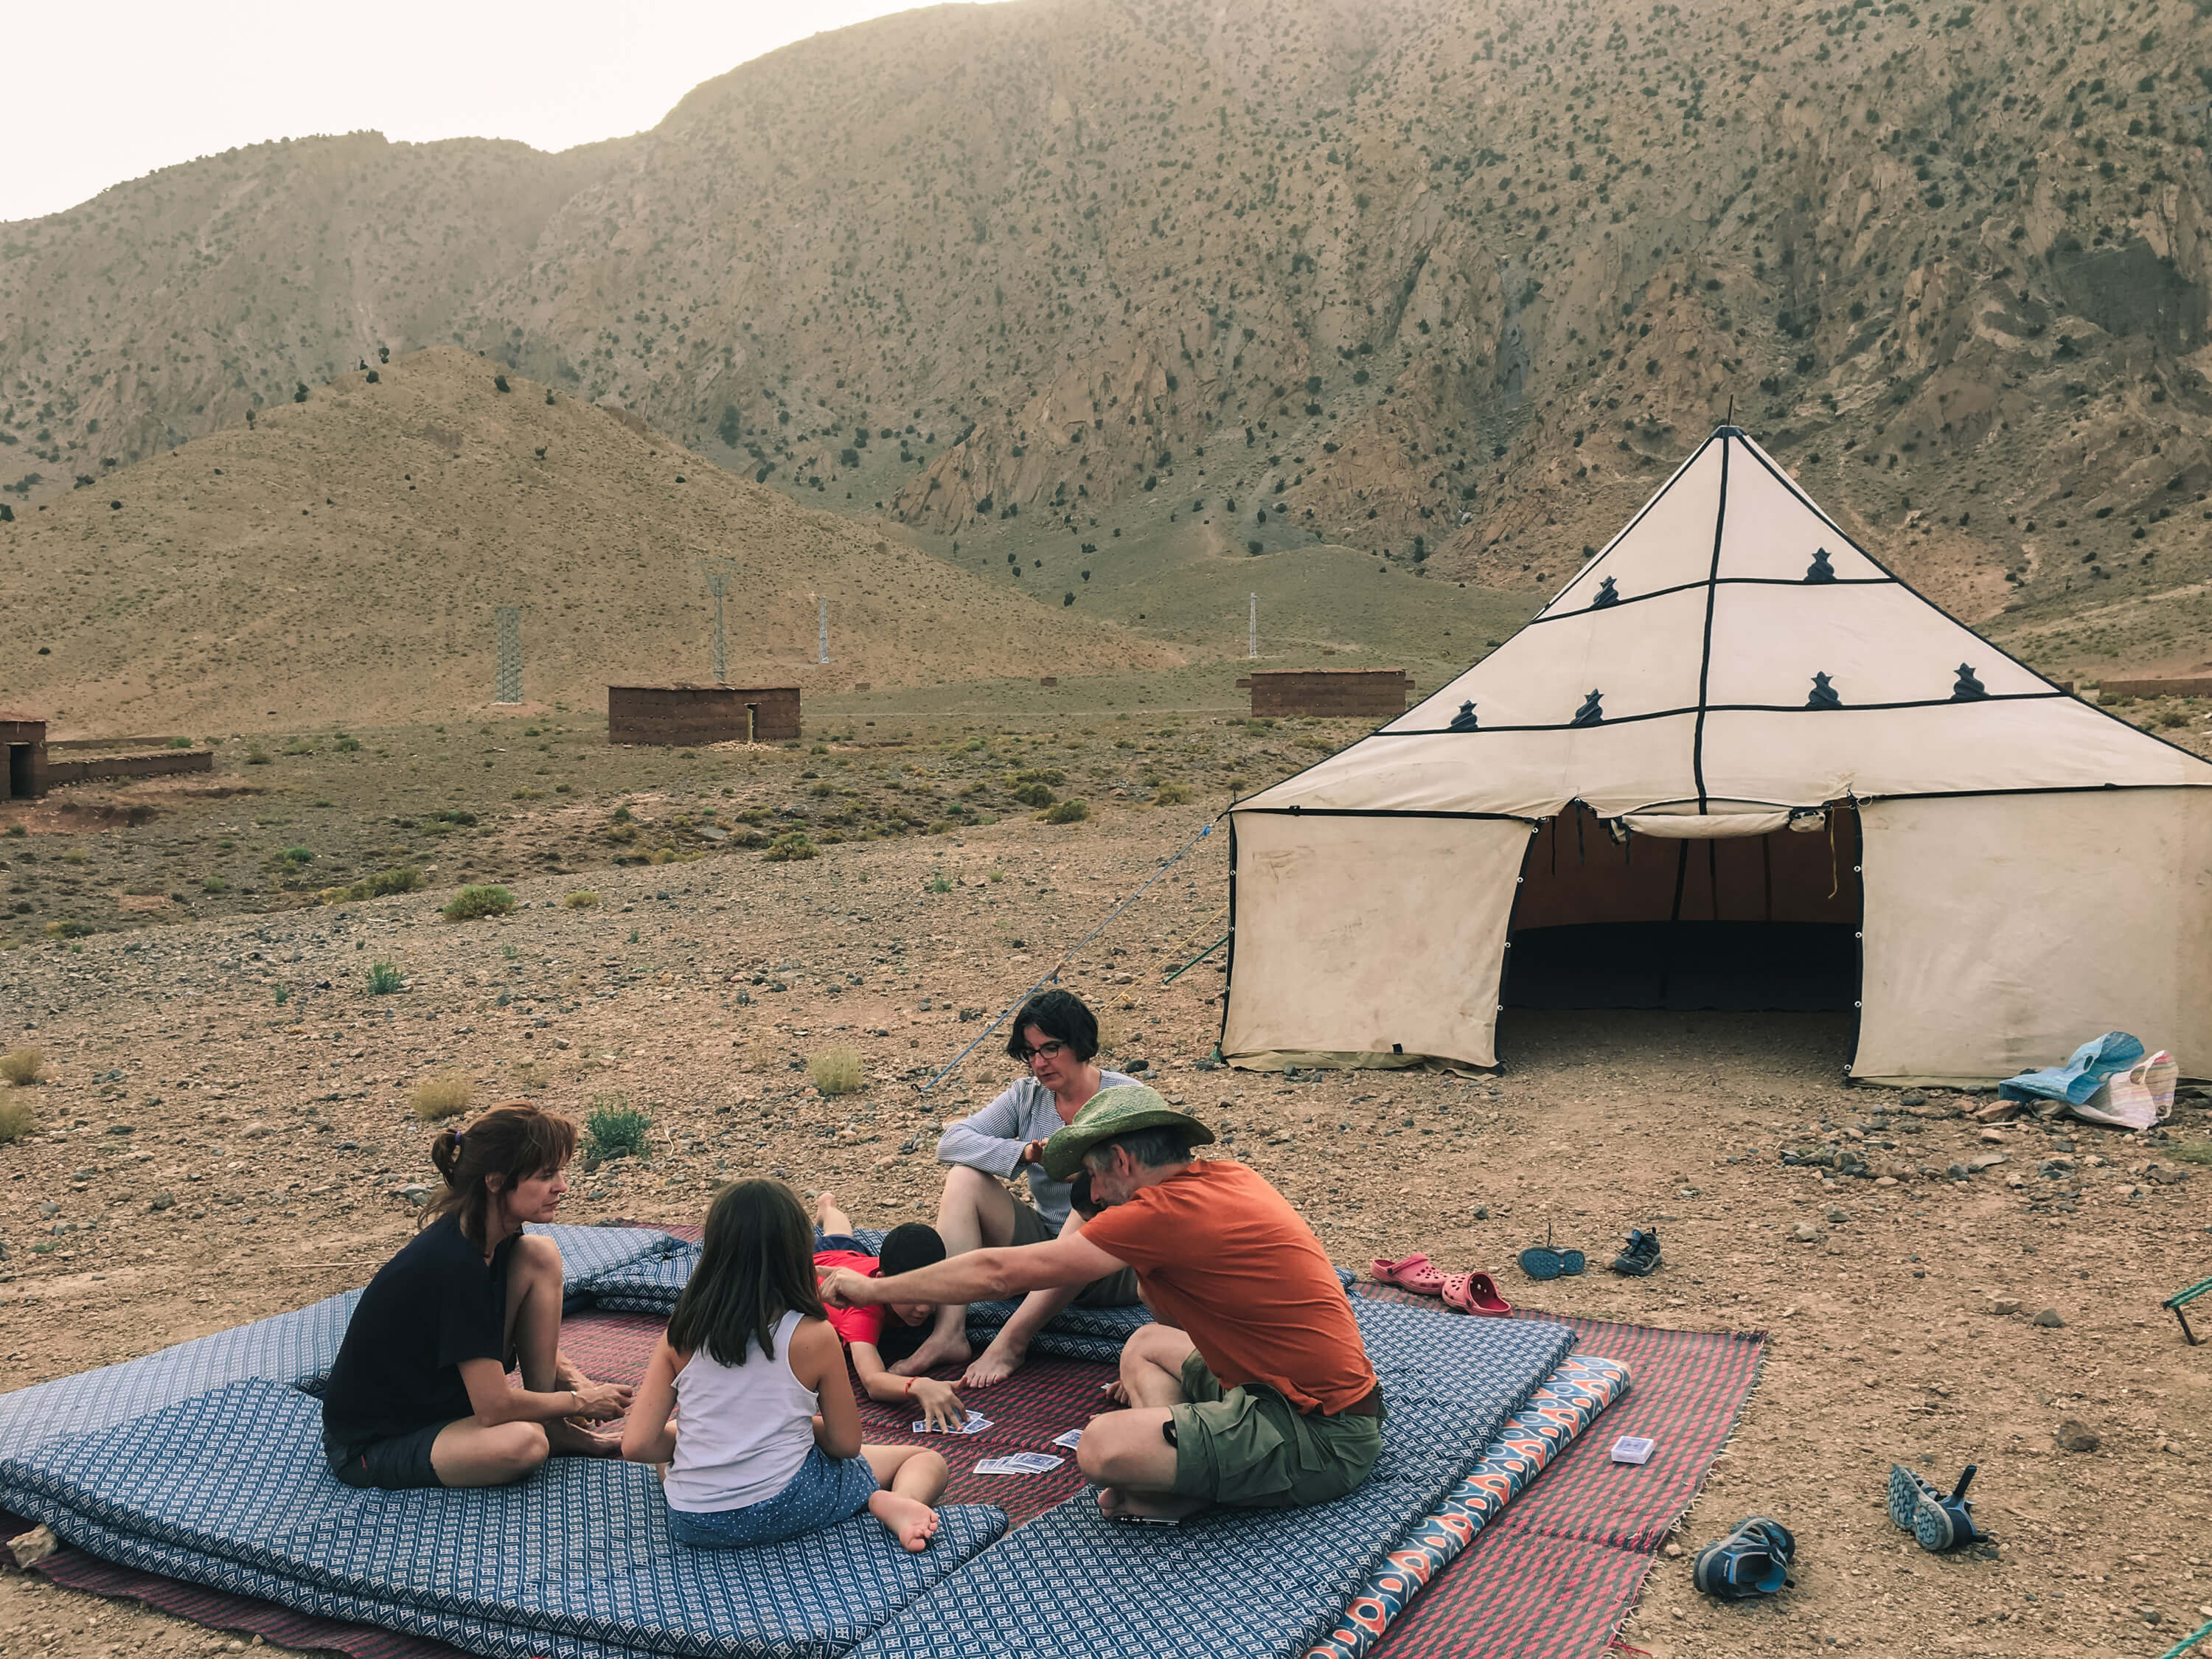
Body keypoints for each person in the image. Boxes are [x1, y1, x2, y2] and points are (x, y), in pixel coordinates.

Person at [823, 1085, 1383, 1523]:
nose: (1091, 1196)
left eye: (1092, 1175)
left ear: (1121, 1160)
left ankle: (1182, 1486)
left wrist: (874, 1290)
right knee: (1142, 1344)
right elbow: (1162, 1318)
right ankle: (1184, 1465)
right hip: (1282, 1390)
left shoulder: (1162, 1213)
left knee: (1100, 1447)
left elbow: (998, 1273)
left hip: (1321, 1435)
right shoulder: (1228, 1178)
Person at [622, 1178, 950, 1552]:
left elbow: (637, 1445)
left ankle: (704, 1473)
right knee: (925, 1460)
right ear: (798, 1252)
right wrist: (795, 1427)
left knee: (677, 1435)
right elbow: (846, 1444)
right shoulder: (813, 1335)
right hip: (786, 1504)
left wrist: (718, 1439)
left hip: (694, 1521)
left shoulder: (680, 1333)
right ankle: (901, 1501)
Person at [319, 1102, 634, 1489]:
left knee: (540, 1255)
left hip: (444, 1397)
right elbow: (494, 1407)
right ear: (496, 1181)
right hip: (377, 1442)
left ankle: (554, 1425)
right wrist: (582, 1402)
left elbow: (512, 1332)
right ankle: (546, 1428)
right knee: (524, 1443)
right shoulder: (454, 1265)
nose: (562, 1187)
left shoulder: (495, 1237)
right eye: (546, 1175)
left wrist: (575, 1381)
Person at [902, 989, 1144, 1386]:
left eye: (1050, 1048)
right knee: (964, 1177)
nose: (1039, 1063)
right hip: (1044, 1247)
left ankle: (1011, 1341)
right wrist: (1028, 1153)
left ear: (1079, 1043)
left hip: (1113, 1263)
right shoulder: (1027, 1097)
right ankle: (949, 1333)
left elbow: (1157, 1185)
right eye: (1030, 1053)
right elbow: (951, 1142)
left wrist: (1084, 1168)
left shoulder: (1125, 1098)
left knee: (1090, 1203)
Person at [809, 1192, 969, 1432]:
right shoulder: (859, 1310)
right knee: (827, 1242)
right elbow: (873, 1381)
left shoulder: (905, 1274)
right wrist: (917, 1386)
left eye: (932, 1295)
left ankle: (828, 1206)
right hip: (814, 1264)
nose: (924, 1308)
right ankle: (826, 1208)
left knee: (840, 1236)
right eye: (912, 1297)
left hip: (851, 1258)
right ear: (882, 1282)